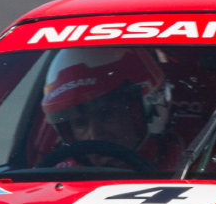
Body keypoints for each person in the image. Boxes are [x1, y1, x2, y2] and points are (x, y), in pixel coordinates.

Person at [37, 48, 178, 172]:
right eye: (80, 123)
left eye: (106, 114)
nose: (95, 134)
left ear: (145, 110)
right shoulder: (60, 178)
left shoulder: (185, 165)